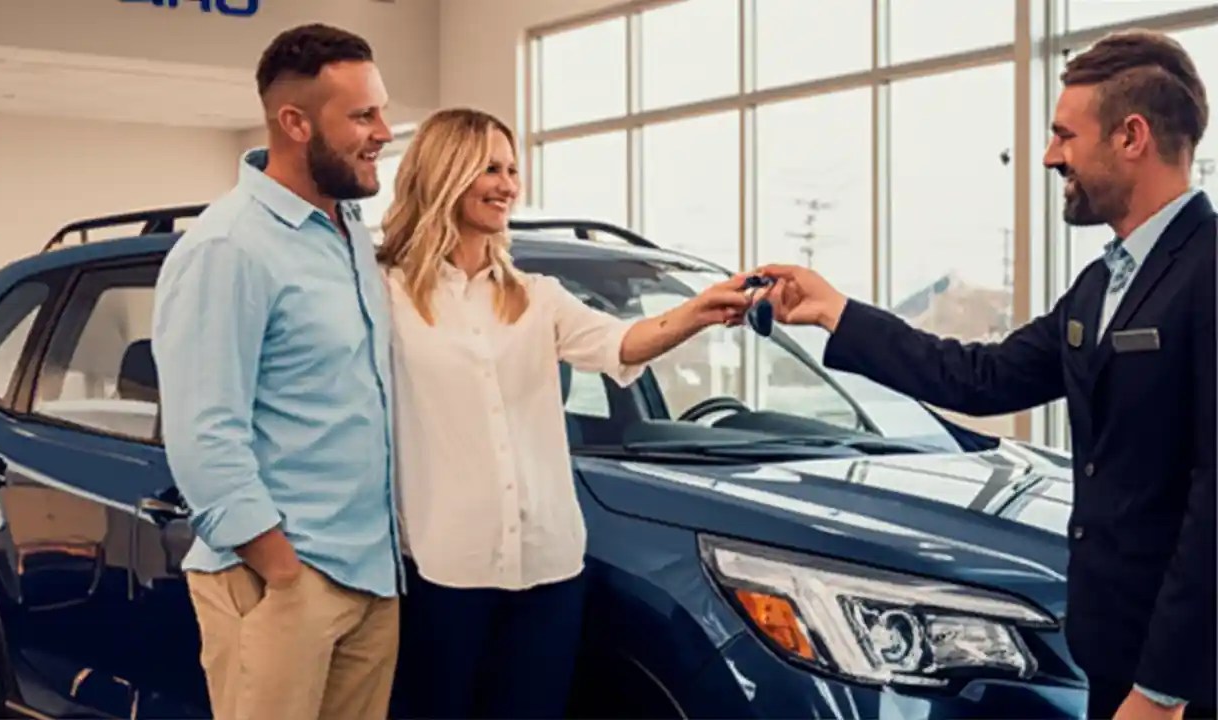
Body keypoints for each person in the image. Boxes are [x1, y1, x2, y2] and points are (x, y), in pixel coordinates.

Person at [754, 29, 1214, 720]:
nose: (1049, 155)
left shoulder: (1209, 272)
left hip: (1179, 683)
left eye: (1064, 134)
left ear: (1131, 136)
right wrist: (837, 313)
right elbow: (982, 377)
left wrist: (1163, 690)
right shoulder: (1100, 284)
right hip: (1113, 651)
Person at [376, 107, 754, 719]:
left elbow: (620, 344)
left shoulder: (536, 296)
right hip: (443, 571)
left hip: (549, 569)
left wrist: (698, 311)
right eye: (489, 169)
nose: (507, 185)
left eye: (512, 169)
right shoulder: (383, 295)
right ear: (445, 173)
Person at [151, 23, 402, 720]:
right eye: (362, 115)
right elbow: (204, 431)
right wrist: (285, 572)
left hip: (372, 577)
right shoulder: (228, 247)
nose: (384, 130)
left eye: (381, 110)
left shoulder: (350, 232)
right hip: (283, 581)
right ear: (294, 122)